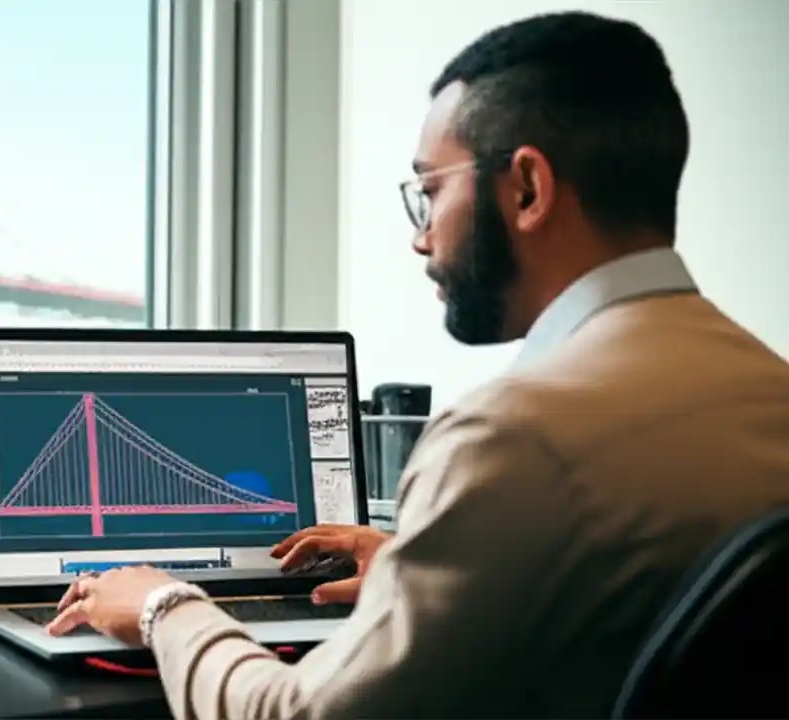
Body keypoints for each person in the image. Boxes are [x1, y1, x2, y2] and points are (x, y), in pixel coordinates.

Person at [45, 10, 789, 719]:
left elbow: (292, 716)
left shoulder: (510, 437)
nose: (421, 237)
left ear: (526, 188)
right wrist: (423, 560)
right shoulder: (767, 390)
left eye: (430, 191)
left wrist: (161, 605)